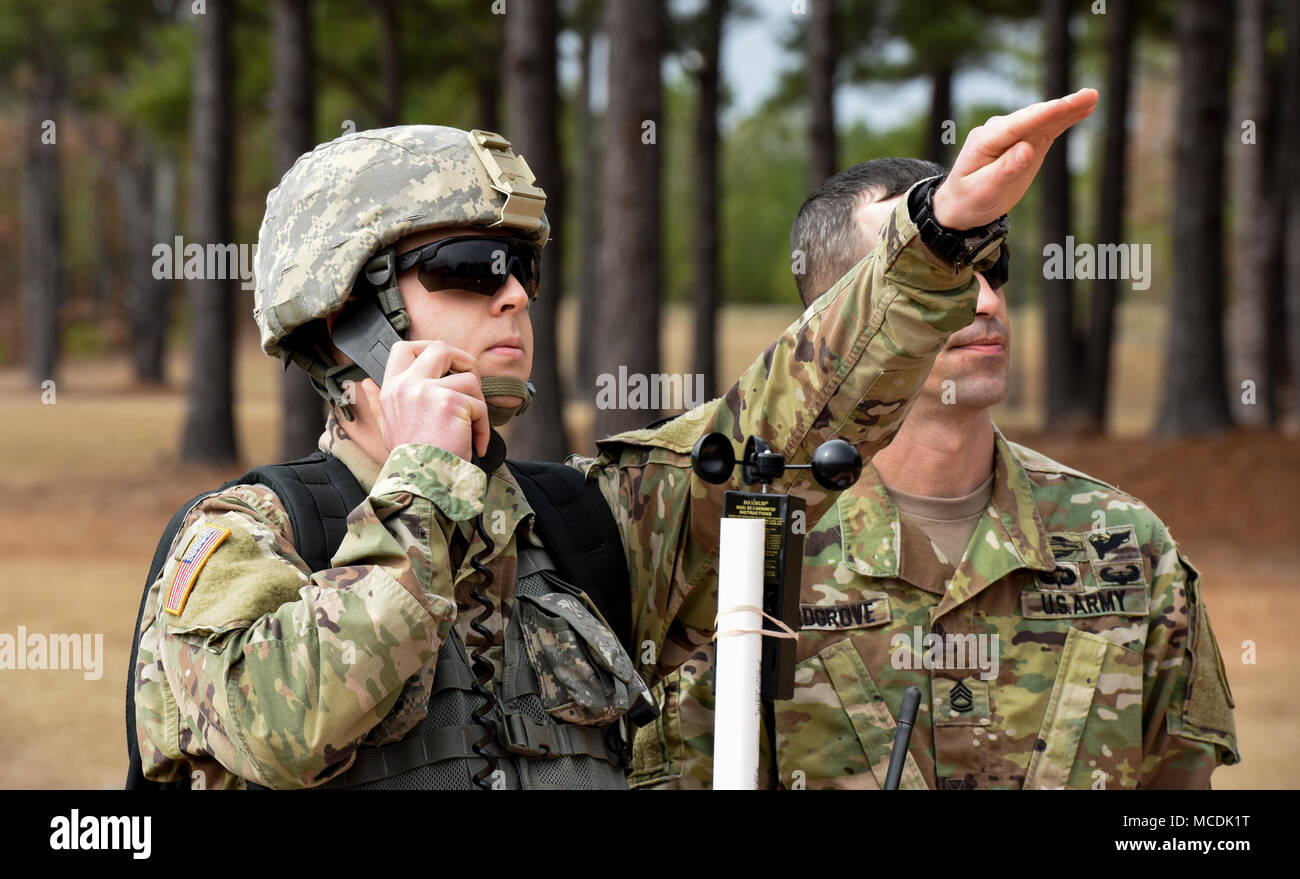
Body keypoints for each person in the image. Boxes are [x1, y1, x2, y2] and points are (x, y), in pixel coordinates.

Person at [131, 89, 1097, 789]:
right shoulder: (248, 541)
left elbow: (794, 415)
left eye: (522, 267)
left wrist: (935, 238)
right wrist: (423, 486)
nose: (513, 292)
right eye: (467, 266)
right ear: (348, 314)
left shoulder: (587, 529)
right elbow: (282, 729)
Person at [629, 156, 1240, 790]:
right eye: (939, 276)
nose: (985, 300)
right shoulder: (743, 559)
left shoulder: (1125, 543)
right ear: (842, 319)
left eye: (991, 269)